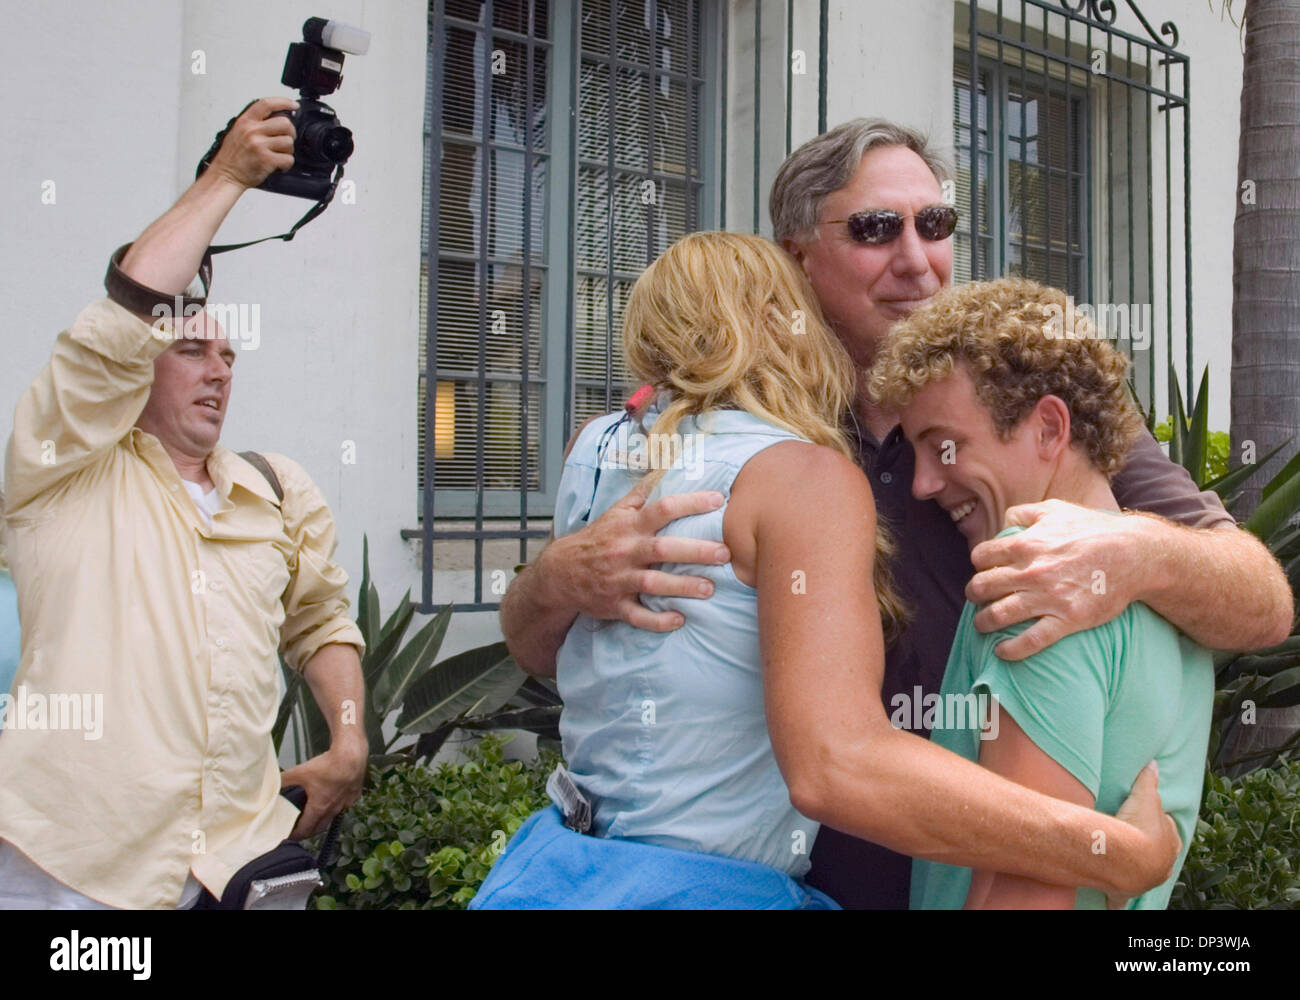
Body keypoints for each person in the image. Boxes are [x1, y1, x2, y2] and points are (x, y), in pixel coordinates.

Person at [499, 119, 1293, 908]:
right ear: (796, 256)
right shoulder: (738, 436)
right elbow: (535, 645)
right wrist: (557, 579)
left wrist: (1131, 553)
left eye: (935, 224)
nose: (916, 260)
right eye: (877, 229)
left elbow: (1263, 605)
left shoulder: (1026, 399)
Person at [0, 98, 368, 910]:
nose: (219, 371)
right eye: (191, 351)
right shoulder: (58, 470)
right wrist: (227, 178)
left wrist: (347, 739)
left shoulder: (275, 491)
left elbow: (322, 624)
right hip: (71, 871)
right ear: (139, 366)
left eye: (229, 355)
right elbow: (118, 323)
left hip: (237, 869)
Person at [869, 277, 1213, 908]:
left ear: (1051, 428)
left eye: (945, 445)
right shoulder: (1176, 601)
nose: (921, 483)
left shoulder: (1038, 591)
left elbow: (1027, 897)